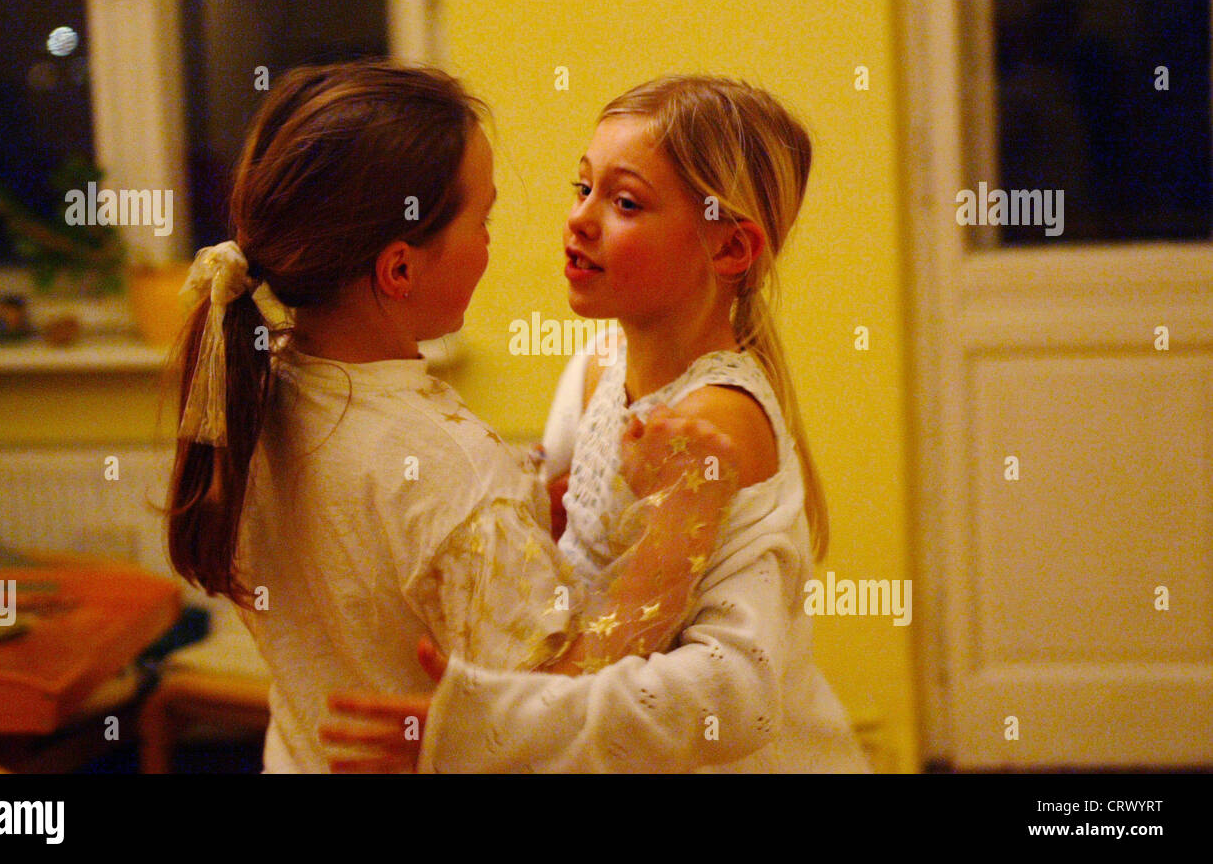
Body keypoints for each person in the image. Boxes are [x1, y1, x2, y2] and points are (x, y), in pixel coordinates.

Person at [163, 60, 745, 773]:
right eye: (483, 219)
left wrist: (524, 515)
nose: (494, 242)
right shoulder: (450, 474)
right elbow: (563, 711)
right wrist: (680, 516)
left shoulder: (260, 392)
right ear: (400, 268)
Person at [325, 74, 871, 773]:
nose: (581, 219)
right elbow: (554, 535)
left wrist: (490, 726)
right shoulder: (595, 363)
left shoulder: (719, 424)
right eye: (582, 188)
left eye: (625, 202)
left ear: (731, 250)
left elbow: (636, 632)